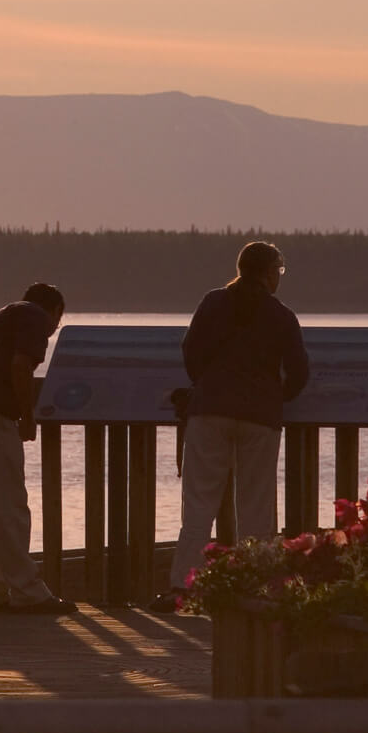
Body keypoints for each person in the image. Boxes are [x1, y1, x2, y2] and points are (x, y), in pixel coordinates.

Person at [152, 241, 310, 612]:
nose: (279, 278)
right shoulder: (281, 316)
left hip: (209, 412)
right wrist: (275, 396)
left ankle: (183, 587)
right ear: (269, 272)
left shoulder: (213, 303)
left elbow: (191, 351)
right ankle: (256, 589)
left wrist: (208, 386)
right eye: (279, 271)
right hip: (260, 418)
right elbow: (299, 371)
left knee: (199, 505)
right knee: (256, 507)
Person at [0, 281, 76, 615]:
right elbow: (20, 366)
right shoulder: (34, 317)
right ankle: (27, 590)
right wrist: (27, 416)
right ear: (54, 311)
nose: (53, 331)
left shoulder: (1, 317)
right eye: (57, 322)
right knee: (9, 501)